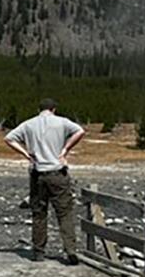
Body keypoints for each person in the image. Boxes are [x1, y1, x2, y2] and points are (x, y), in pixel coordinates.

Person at [5, 98, 86, 265]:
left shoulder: (28, 124)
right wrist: (65, 150)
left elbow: (9, 138)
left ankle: (38, 252)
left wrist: (26, 153)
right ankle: (70, 250)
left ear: (39, 109)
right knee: (64, 213)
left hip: (37, 173)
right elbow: (80, 131)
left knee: (39, 213)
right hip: (57, 172)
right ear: (54, 109)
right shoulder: (62, 122)